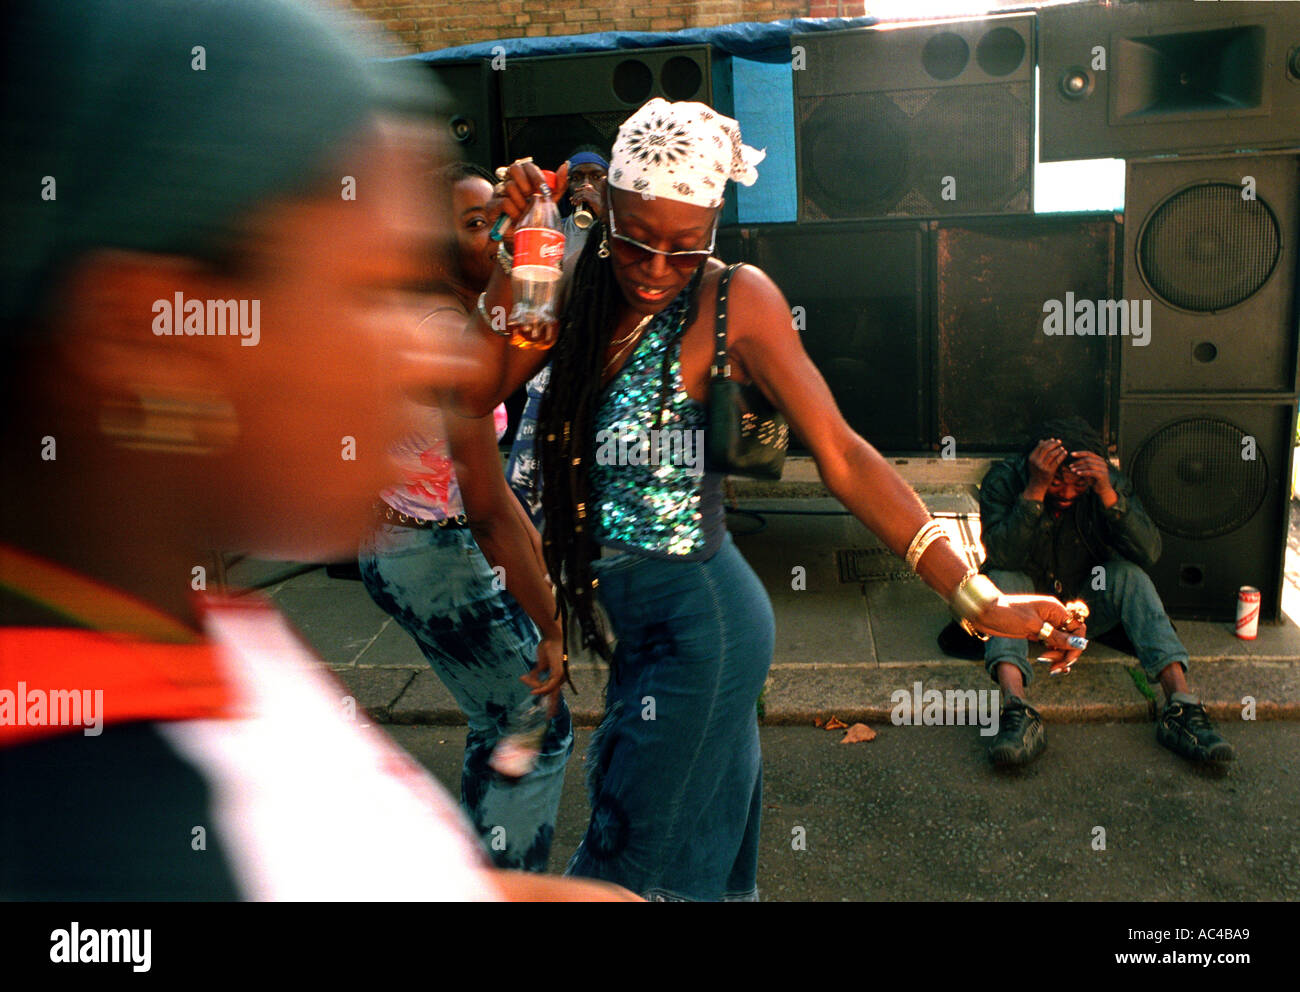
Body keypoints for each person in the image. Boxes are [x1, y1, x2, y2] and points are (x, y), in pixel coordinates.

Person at [0, 0, 631, 902]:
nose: (432, 353)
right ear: (155, 342)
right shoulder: (120, 844)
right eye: (372, 289)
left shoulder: (176, 629)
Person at [453, 98, 1088, 901]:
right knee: (708, 872)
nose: (654, 270)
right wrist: (531, 255)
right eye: (635, 240)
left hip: (704, 631)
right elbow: (477, 391)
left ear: (717, 224)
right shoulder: (576, 275)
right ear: (605, 207)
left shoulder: (735, 299)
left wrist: (976, 592)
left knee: (626, 864)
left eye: (686, 248)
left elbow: (845, 456)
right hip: (637, 631)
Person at [359, 160, 573, 872]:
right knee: (530, 726)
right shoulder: (443, 330)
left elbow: (531, 326)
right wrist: (551, 623)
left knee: (500, 721)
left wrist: (540, 219)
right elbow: (484, 506)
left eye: (496, 219)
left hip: (408, 540)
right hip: (433, 557)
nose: (492, 236)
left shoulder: (458, 313)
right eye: (473, 223)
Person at [978, 417, 1235, 767]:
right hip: (1025, 616)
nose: (1068, 494)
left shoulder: (1105, 484)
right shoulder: (1005, 480)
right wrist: (1035, 491)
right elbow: (1002, 554)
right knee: (1004, 578)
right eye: (1057, 483)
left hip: (1082, 609)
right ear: (1036, 468)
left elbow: (1149, 553)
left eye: (1078, 486)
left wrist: (1106, 495)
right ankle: (1016, 712)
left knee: (1129, 576)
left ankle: (1181, 708)